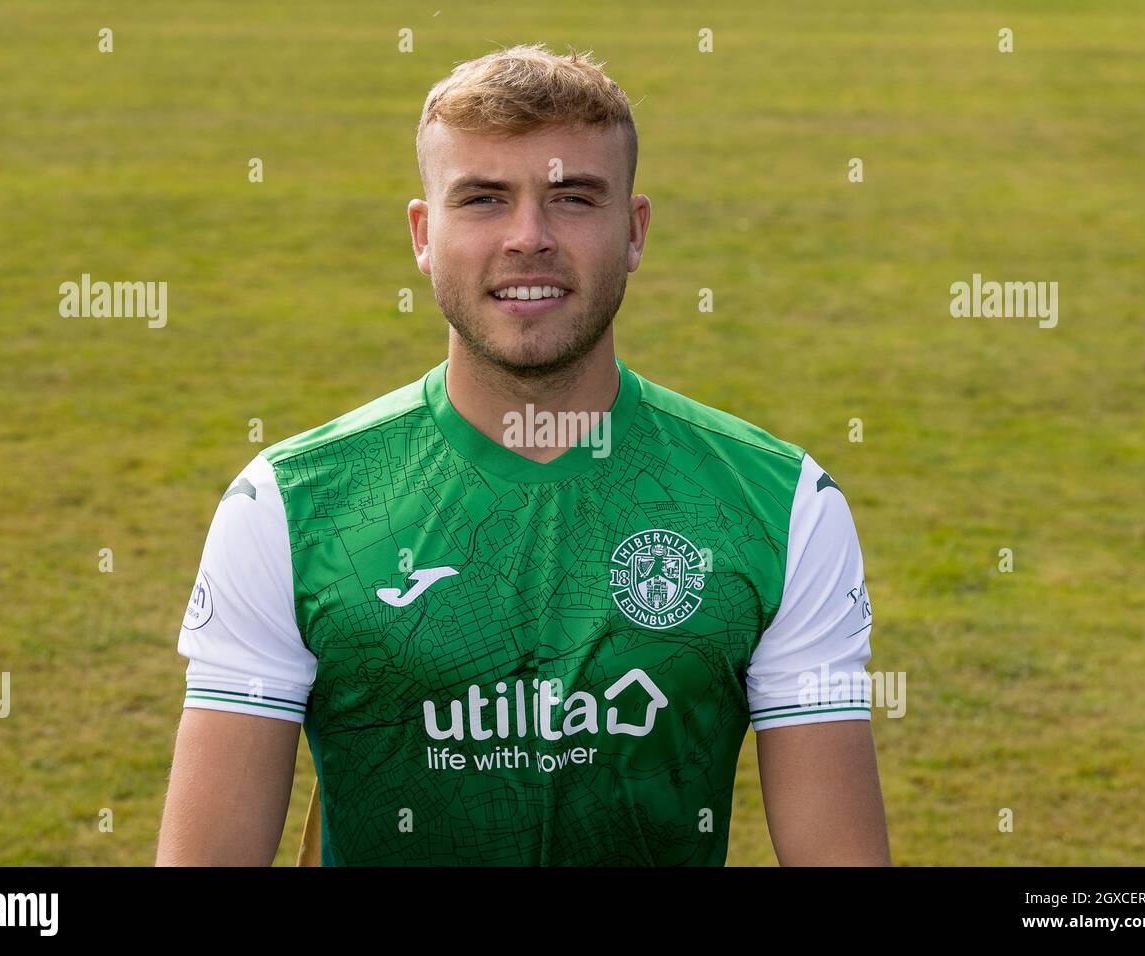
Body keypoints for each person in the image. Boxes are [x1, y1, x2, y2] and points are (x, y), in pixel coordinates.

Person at [156, 42, 890, 866]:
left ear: (636, 231)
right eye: (483, 200)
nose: (528, 238)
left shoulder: (780, 503)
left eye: (573, 198)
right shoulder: (288, 508)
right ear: (423, 234)